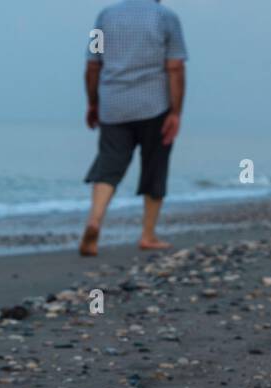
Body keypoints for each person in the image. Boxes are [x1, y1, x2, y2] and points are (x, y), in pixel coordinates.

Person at [80, 0, 187, 256]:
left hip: (114, 104)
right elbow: (175, 67)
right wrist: (175, 112)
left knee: (109, 164)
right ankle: (147, 235)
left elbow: (93, 64)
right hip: (154, 105)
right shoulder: (166, 17)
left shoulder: (105, 16)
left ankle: (94, 221)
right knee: (154, 165)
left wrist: (93, 102)